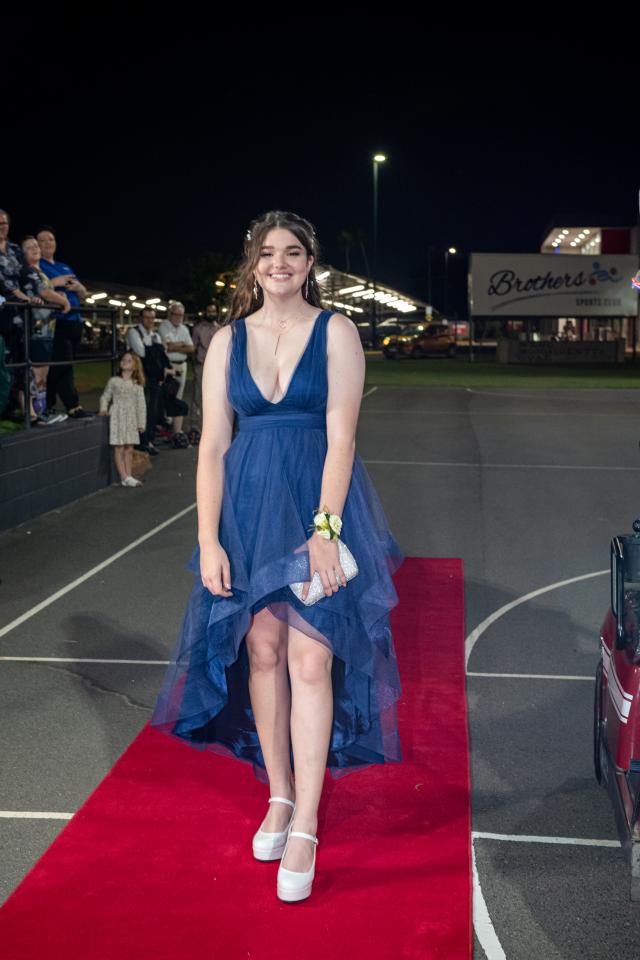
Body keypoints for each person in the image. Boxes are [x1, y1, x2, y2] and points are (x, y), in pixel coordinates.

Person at [149, 210, 404, 903]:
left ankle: (308, 824)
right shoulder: (227, 340)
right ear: (253, 264)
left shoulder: (337, 332)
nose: (280, 263)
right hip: (244, 513)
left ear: (309, 262)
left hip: (314, 507)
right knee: (261, 653)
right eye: (268, 253)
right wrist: (208, 539)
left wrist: (325, 529)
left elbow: (341, 438)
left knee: (311, 659)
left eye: (292, 252)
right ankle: (281, 795)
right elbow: (211, 446)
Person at [36, 226, 92, 419]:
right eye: (42, 240)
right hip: (56, 321)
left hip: (75, 321)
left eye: (51, 239)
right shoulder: (38, 266)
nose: (47, 243)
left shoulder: (64, 266)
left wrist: (80, 288)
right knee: (64, 364)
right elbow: (37, 288)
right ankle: (73, 405)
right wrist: (55, 282)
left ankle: (48, 403)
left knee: (59, 365)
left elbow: (84, 295)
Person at [20, 236, 71, 425]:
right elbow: (43, 292)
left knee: (43, 374)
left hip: (47, 329)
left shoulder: (40, 272)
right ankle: (32, 413)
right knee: (35, 373)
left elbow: (47, 293)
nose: (35, 248)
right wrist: (63, 300)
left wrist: (58, 295)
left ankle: (40, 412)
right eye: (29, 247)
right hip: (35, 329)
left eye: (36, 245)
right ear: (22, 253)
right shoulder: (28, 271)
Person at [126, 306, 177, 455]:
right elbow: (142, 353)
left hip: (154, 377)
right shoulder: (134, 332)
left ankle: (148, 440)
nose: (149, 321)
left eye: (152, 318)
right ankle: (141, 442)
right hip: (138, 377)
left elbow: (159, 355)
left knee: (152, 410)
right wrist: (158, 349)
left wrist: (162, 371)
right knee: (140, 409)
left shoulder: (154, 335)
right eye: (146, 317)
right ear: (141, 318)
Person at [98, 351, 147, 487]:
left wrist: (141, 423)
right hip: (117, 416)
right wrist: (103, 408)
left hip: (131, 418)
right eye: (123, 360)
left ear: (135, 366)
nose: (125, 362)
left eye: (129, 360)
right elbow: (105, 396)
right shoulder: (113, 381)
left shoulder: (137, 385)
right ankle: (123, 476)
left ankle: (128, 476)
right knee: (119, 447)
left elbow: (141, 405)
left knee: (129, 448)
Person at [158, 300, 194, 445]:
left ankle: (175, 431)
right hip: (169, 364)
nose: (178, 317)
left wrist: (176, 346)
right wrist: (182, 344)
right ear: (170, 314)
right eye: (176, 314)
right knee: (167, 396)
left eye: (181, 315)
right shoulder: (164, 326)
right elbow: (168, 347)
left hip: (182, 365)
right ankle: (166, 427)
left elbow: (191, 348)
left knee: (178, 396)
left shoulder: (184, 328)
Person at [191, 302, 223, 433]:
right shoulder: (198, 329)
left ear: (217, 313)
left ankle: (215, 426)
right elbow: (193, 349)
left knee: (217, 397)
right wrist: (196, 365)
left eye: (213, 311)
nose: (211, 314)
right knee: (198, 396)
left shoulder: (221, 329)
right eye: (209, 311)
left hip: (217, 367)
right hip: (201, 366)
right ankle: (196, 427)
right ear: (205, 313)